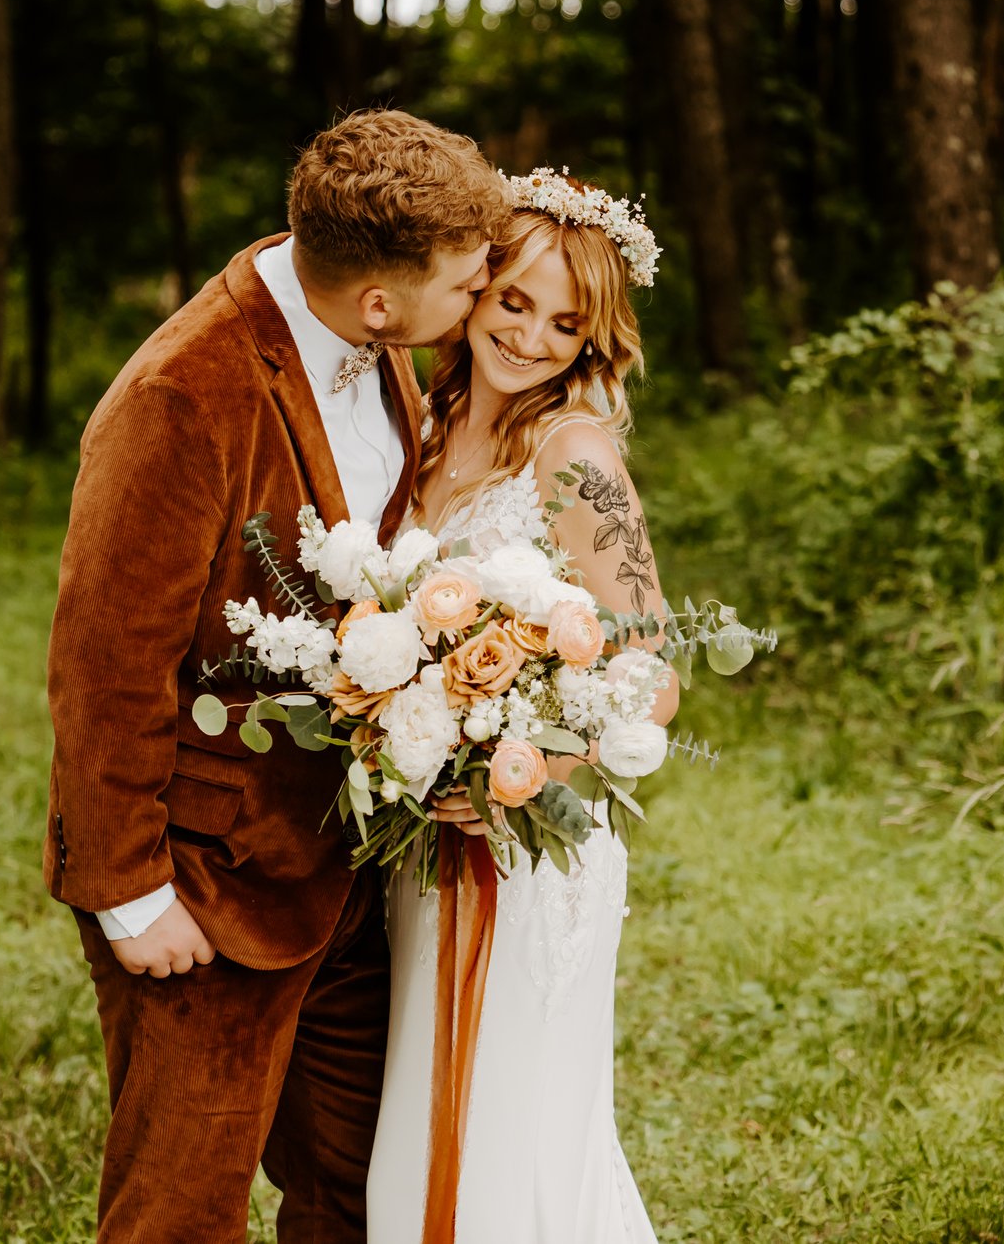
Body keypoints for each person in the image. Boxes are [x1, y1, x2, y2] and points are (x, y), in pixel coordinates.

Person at [42, 109, 509, 1244]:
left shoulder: (378, 342)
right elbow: (104, 661)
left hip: (352, 867)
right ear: (382, 305)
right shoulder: (179, 395)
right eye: (466, 282)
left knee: (356, 1195)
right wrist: (127, 892)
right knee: (182, 1211)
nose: (484, 299)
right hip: (208, 885)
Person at [366, 170, 677, 1244]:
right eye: (514, 301)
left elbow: (652, 666)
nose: (534, 337)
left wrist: (522, 762)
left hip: (528, 850)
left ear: (594, 340)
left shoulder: (574, 453)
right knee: (422, 1116)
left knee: (515, 1134)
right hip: (425, 848)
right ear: (476, 288)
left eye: (566, 321)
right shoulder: (419, 416)